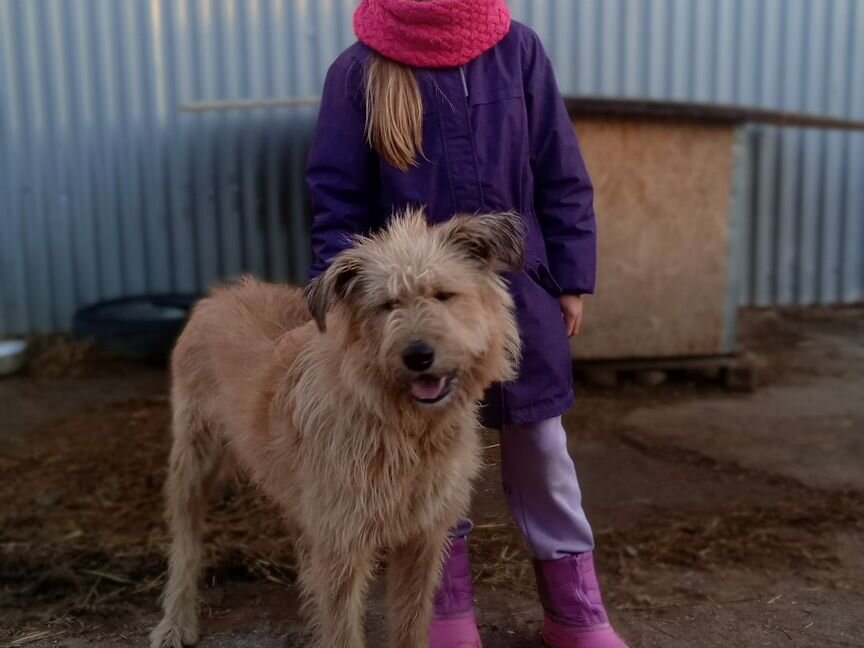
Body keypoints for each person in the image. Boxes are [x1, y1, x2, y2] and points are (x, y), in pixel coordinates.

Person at [305, 1, 628, 647]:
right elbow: (335, 198)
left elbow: (559, 170)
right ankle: (444, 613)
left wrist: (569, 276)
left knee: (542, 452)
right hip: (406, 316)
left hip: (516, 298)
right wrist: (345, 307)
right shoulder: (360, 71)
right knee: (421, 460)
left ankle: (575, 613)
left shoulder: (518, 49)